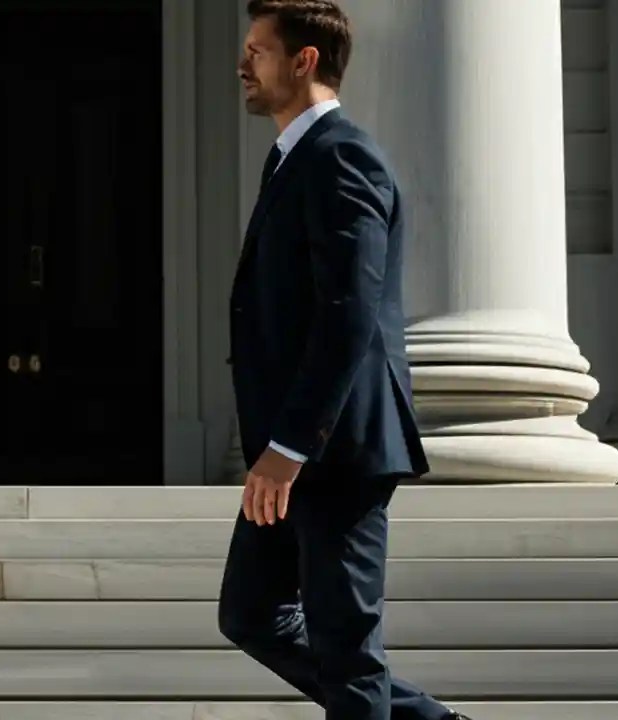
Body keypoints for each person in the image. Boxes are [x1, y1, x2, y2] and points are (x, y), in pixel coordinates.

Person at [219, 2, 470, 719]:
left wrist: (289, 447)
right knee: (249, 613)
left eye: (257, 51)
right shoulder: (294, 157)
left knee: (346, 646)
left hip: (335, 449)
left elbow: (348, 312)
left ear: (303, 61)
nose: (243, 64)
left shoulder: (342, 154)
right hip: (295, 447)